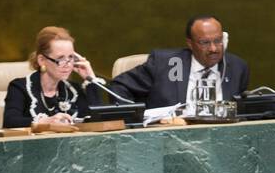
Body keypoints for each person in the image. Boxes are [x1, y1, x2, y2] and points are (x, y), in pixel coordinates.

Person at [105, 15, 250, 111]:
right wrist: (139, 120)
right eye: (205, 43)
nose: (213, 49)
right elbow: (118, 88)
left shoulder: (237, 67)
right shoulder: (166, 63)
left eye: (218, 41)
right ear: (190, 44)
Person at [3, 26, 101, 128]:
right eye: (60, 58)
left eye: (71, 57)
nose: (67, 64)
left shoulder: (73, 90)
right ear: (41, 60)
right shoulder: (20, 87)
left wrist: (90, 79)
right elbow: (10, 121)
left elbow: (97, 119)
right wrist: (46, 122)